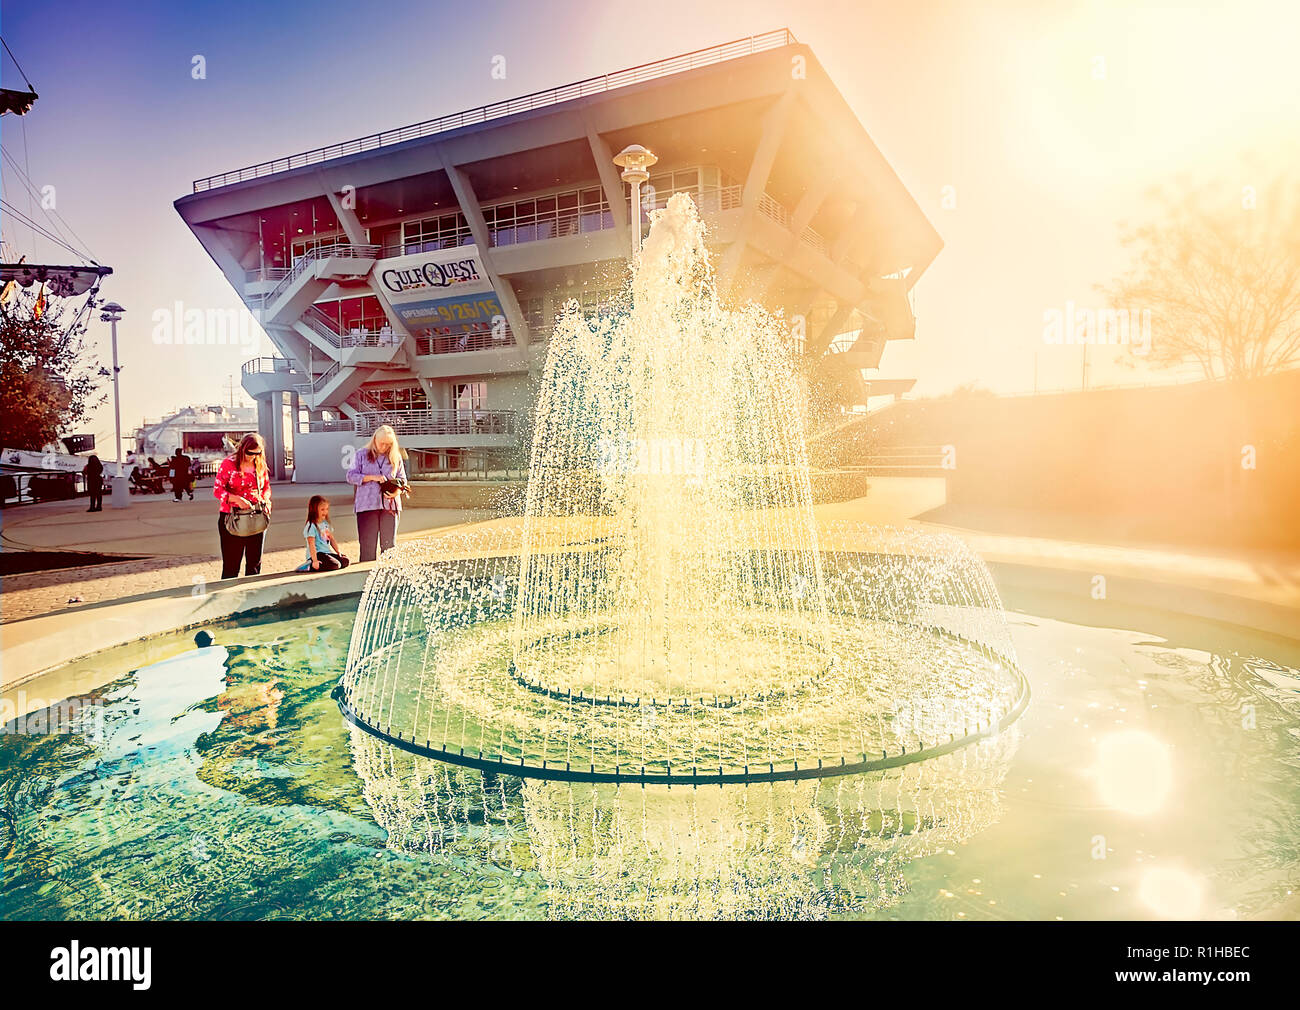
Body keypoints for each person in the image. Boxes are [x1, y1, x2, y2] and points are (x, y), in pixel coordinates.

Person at [214, 433, 273, 579]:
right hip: (233, 518)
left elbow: (266, 487)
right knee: (231, 566)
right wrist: (236, 499)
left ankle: (252, 597)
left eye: (257, 453)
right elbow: (217, 490)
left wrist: (266, 502)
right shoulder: (229, 464)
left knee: (254, 564)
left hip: (256, 517)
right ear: (242, 449)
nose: (253, 456)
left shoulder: (259, 464)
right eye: (249, 453)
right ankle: (227, 598)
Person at [347, 424, 409, 562]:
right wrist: (371, 477)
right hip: (366, 506)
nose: (384, 447)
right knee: (367, 546)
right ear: (375, 440)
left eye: (388, 444)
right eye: (382, 443)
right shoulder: (360, 454)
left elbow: (403, 480)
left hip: (390, 507)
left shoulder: (395, 457)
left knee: (389, 547)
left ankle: (388, 577)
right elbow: (350, 476)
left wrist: (396, 492)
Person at [301, 495, 349, 572]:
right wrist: (315, 560)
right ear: (314, 510)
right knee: (335, 565)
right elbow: (311, 544)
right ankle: (309, 565)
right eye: (322, 509)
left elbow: (332, 539)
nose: (325, 512)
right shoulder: (311, 525)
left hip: (326, 553)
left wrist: (338, 552)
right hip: (317, 554)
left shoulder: (325, 524)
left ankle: (323, 563)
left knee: (345, 561)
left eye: (327, 509)